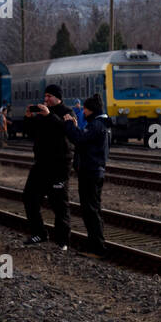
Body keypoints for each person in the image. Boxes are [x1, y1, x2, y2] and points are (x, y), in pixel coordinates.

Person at [19, 85, 73, 250]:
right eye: (45, 96)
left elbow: (65, 131)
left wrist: (49, 116)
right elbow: (30, 133)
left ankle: (62, 241)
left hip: (59, 166)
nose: (46, 99)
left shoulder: (66, 112)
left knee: (59, 204)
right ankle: (39, 233)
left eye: (49, 96)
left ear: (58, 97)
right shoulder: (42, 114)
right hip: (41, 165)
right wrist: (28, 118)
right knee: (29, 197)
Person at [64, 93, 112, 258]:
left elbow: (79, 139)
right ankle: (95, 244)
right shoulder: (101, 124)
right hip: (95, 171)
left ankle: (97, 247)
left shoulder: (96, 125)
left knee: (90, 210)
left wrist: (69, 125)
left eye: (84, 109)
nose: (83, 112)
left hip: (90, 172)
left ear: (91, 110)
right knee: (93, 209)